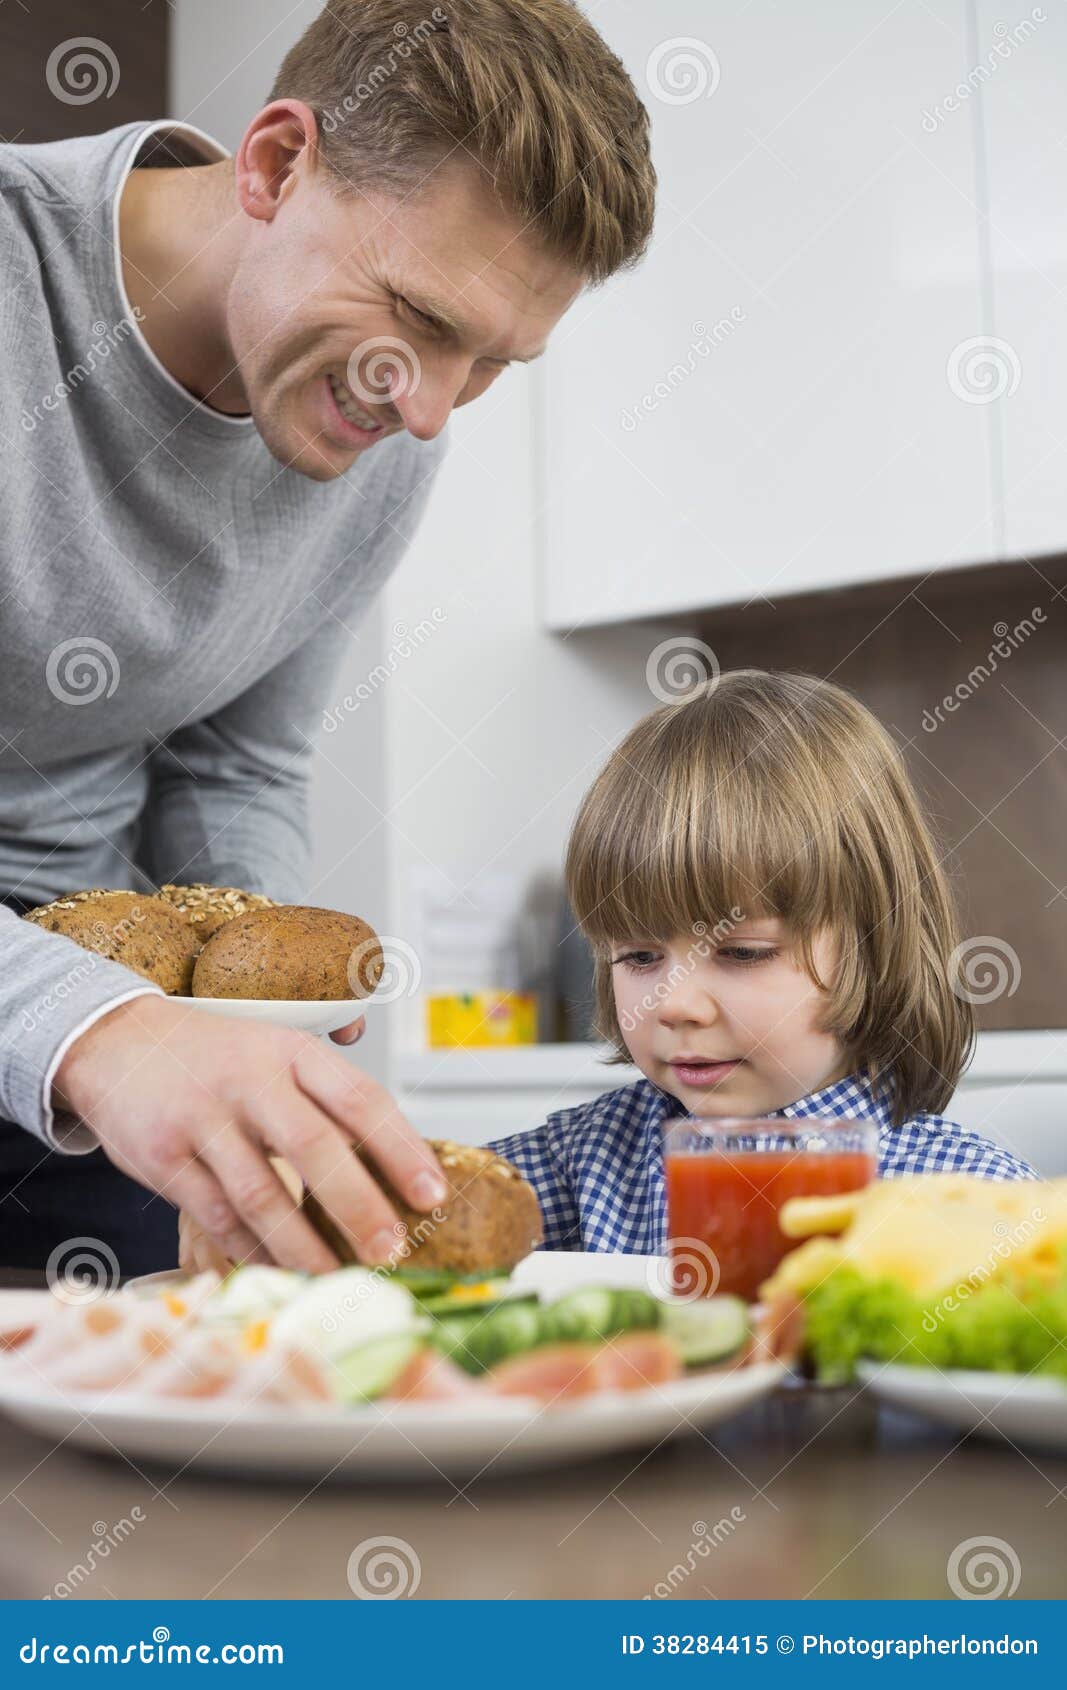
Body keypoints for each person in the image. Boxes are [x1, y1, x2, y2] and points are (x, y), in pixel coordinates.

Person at [0, 0, 655, 1276]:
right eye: (416, 314)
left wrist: (258, 1001)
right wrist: (101, 1031)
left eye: (489, 361)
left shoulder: (382, 431)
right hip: (99, 1032)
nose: (425, 410)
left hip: (102, 1068)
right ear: (274, 165)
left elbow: (232, 764)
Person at [488, 670, 1039, 1252]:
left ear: (874, 946)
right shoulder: (585, 1160)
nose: (674, 1004)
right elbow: (410, 1227)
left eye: (742, 953)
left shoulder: (967, 1201)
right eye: (639, 956)